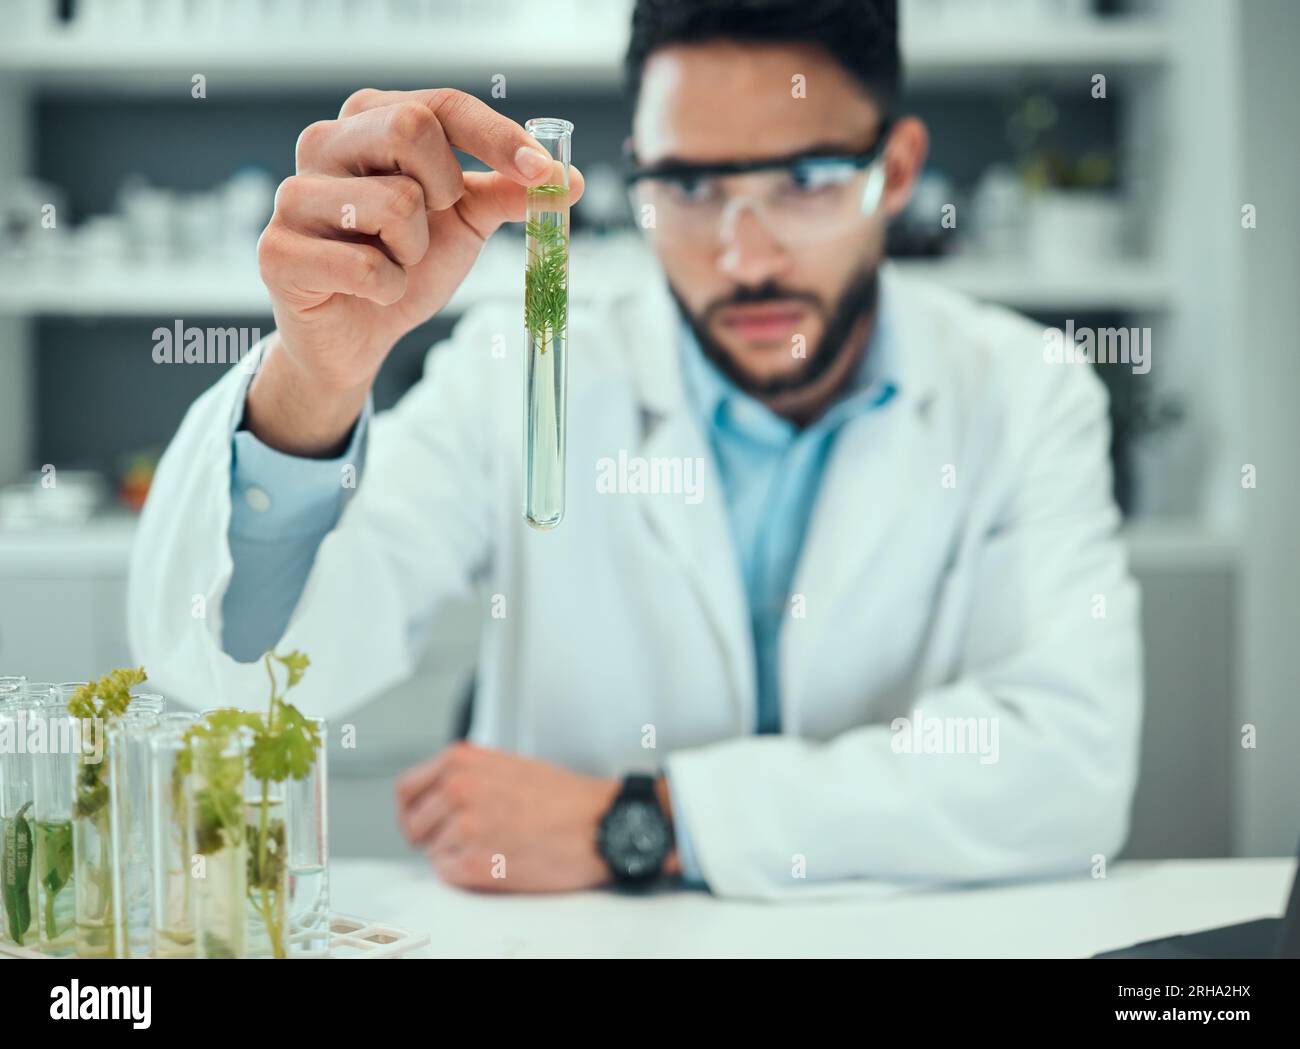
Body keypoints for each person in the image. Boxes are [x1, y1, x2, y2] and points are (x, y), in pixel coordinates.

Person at [129, 0, 1142, 900]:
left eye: (804, 179)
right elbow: (238, 677)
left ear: (898, 172)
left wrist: (641, 819)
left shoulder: (1021, 389)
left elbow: (1068, 765)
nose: (745, 257)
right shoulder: (511, 375)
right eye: (689, 187)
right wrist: (317, 375)